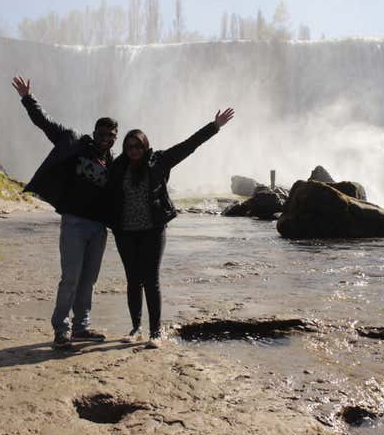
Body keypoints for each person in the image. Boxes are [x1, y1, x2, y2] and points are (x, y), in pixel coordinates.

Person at [107, 108, 235, 348]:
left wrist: (214, 126)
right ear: (125, 148)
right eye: (129, 146)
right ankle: (135, 328)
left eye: (138, 146)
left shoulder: (159, 161)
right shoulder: (117, 167)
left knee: (150, 279)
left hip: (152, 230)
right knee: (133, 281)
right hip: (125, 232)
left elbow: (189, 145)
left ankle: (155, 332)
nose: (134, 150)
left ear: (145, 147)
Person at [12, 76, 118, 350]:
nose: (106, 139)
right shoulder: (74, 142)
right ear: (94, 133)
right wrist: (27, 98)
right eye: (102, 134)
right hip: (74, 223)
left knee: (89, 280)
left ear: (115, 138)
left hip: (98, 229)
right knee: (70, 277)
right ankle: (62, 329)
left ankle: (81, 327)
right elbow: (45, 123)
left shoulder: (115, 164)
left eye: (111, 135)